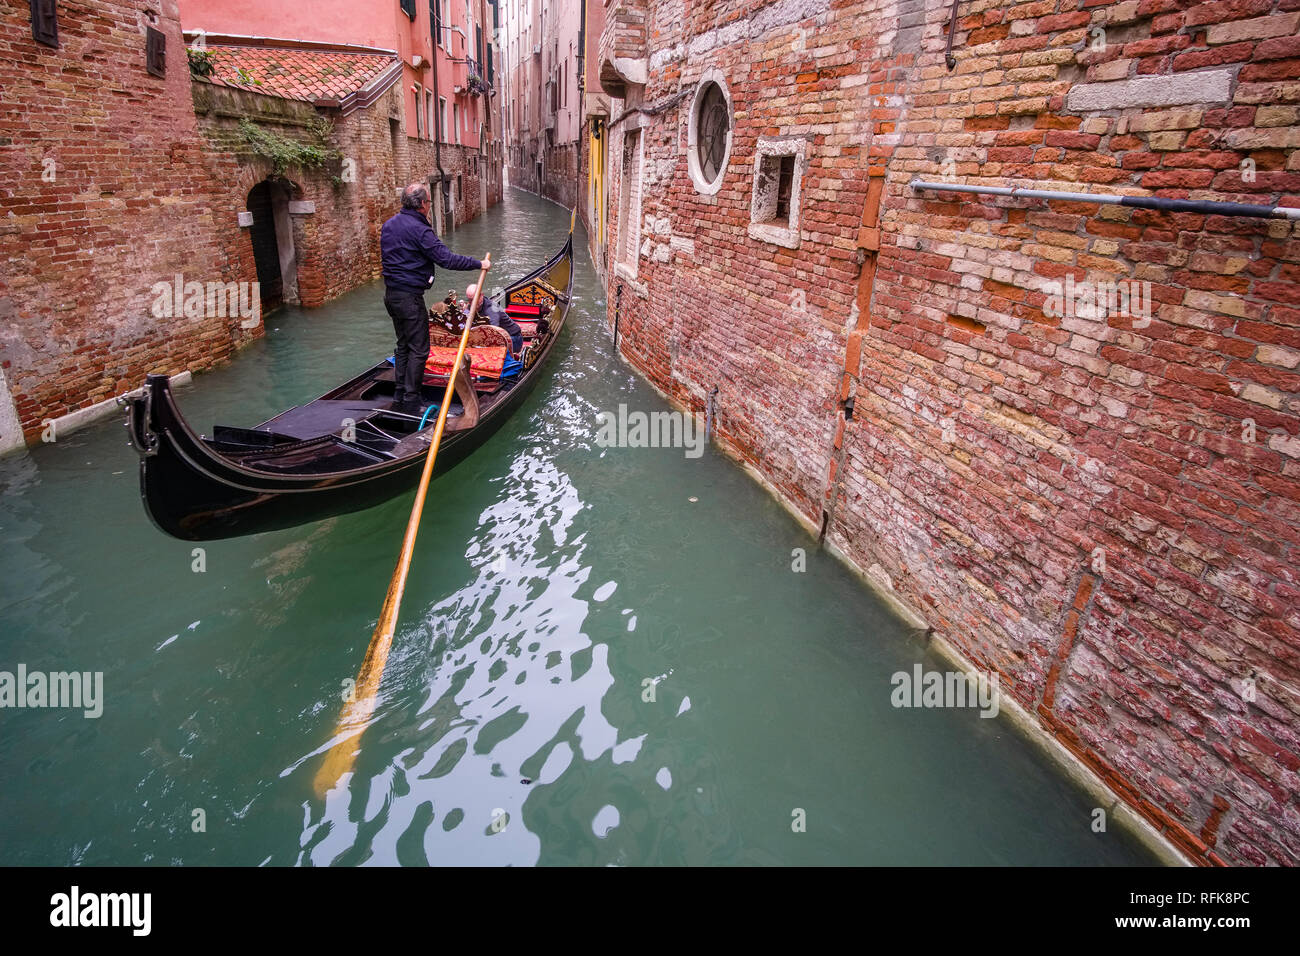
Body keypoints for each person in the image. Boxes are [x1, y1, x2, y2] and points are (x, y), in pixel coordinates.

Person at [380, 183, 484, 415]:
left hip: (391, 297)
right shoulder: (419, 229)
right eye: (428, 202)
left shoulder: (388, 225)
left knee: (403, 346)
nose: (429, 206)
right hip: (409, 298)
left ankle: (400, 395)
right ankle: (412, 401)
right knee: (419, 349)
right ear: (422, 205)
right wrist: (479, 264)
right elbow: (446, 259)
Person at [465, 282, 523, 356]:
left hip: (513, 338)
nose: (472, 303)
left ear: (481, 295)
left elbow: (494, 332)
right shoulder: (470, 305)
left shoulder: (491, 309)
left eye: (474, 299)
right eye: (470, 300)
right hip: (493, 335)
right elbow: (464, 319)